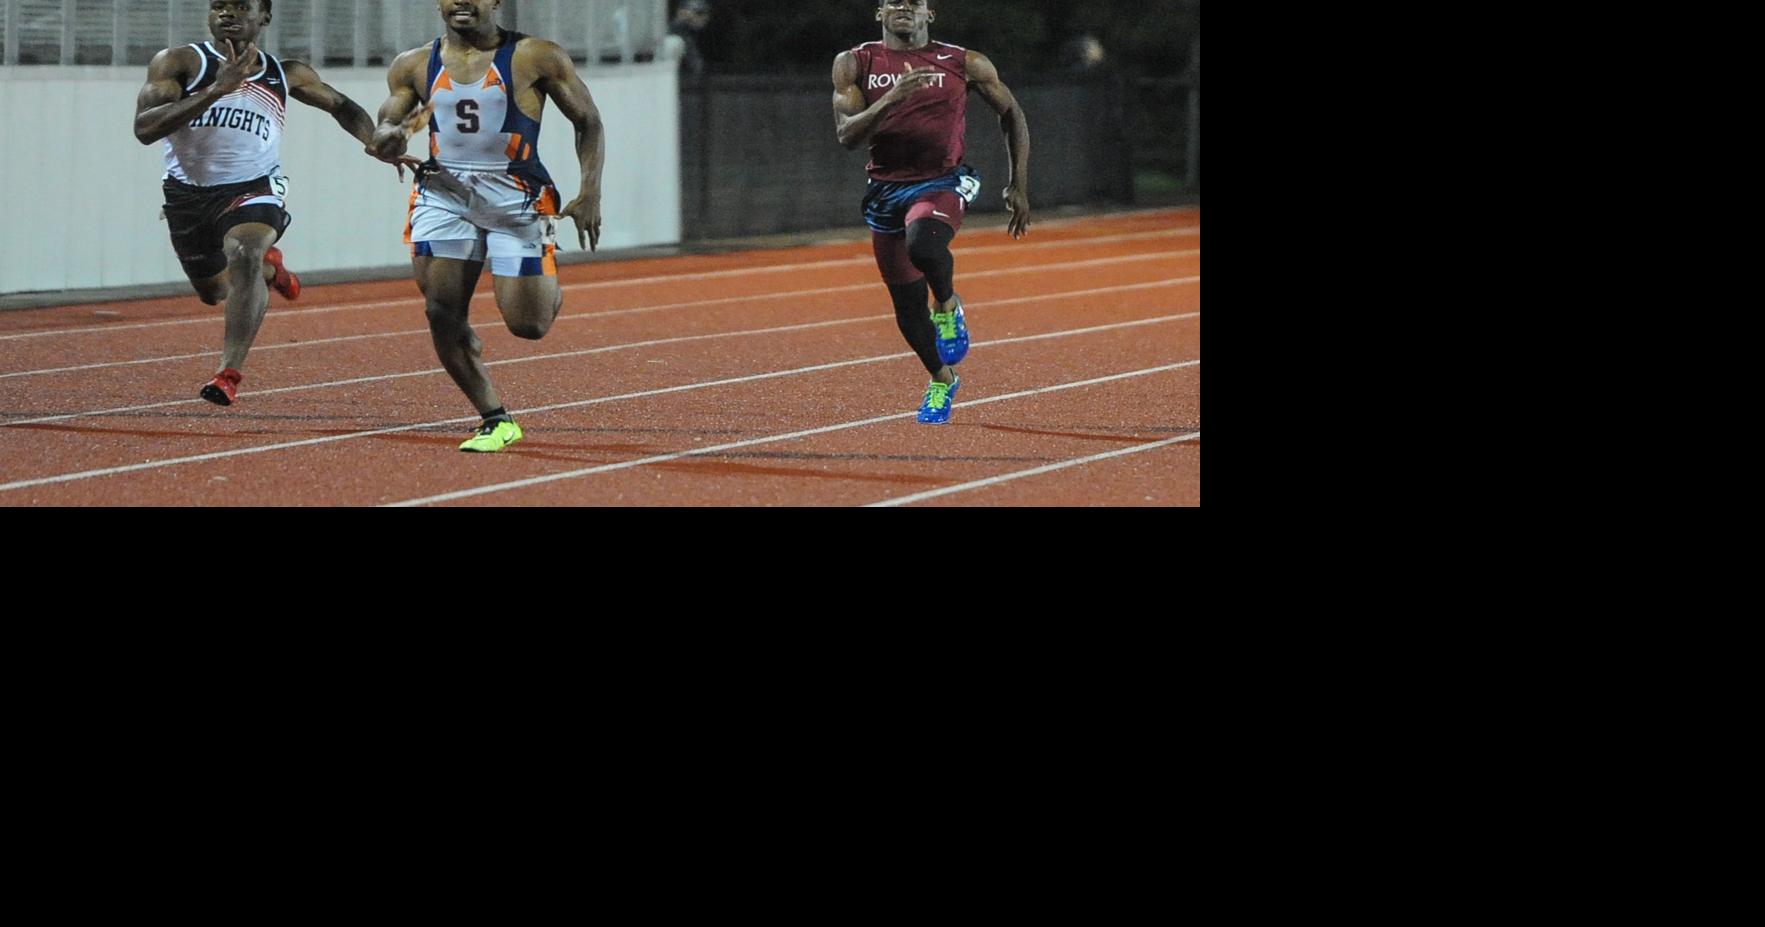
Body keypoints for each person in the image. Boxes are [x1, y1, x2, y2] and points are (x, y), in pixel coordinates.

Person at [134, 0, 416, 406]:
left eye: (240, 7)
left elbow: (341, 105)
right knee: (214, 292)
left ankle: (227, 373)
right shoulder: (180, 63)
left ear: (264, 17)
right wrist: (217, 89)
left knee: (245, 250)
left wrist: (373, 142)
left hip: (254, 187)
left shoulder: (284, 73)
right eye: (218, 7)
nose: (227, 14)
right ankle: (271, 270)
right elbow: (144, 129)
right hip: (187, 195)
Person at [368, 0, 605, 453]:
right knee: (441, 311)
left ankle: (544, 275)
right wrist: (386, 137)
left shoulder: (535, 56)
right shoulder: (414, 64)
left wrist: (590, 190)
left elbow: (588, 121)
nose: (462, 1)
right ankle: (495, 419)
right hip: (443, 194)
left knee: (528, 325)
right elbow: (388, 122)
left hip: (516, 197)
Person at [831, 0, 1030, 425]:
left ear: (929, 14)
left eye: (914, 2)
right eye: (893, 2)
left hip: (942, 179)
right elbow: (847, 135)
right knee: (905, 307)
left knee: (923, 243)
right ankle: (942, 379)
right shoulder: (855, 62)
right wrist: (892, 99)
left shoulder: (964, 62)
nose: (904, 7)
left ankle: (946, 302)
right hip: (885, 189)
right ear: (879, 13)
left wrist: (1019, 184)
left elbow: (1012, 112)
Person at [669, 0, 712, 80]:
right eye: (699, 13)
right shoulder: (677, 32)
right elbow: (695, 64)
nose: (705, 18)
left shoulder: (694, 33)